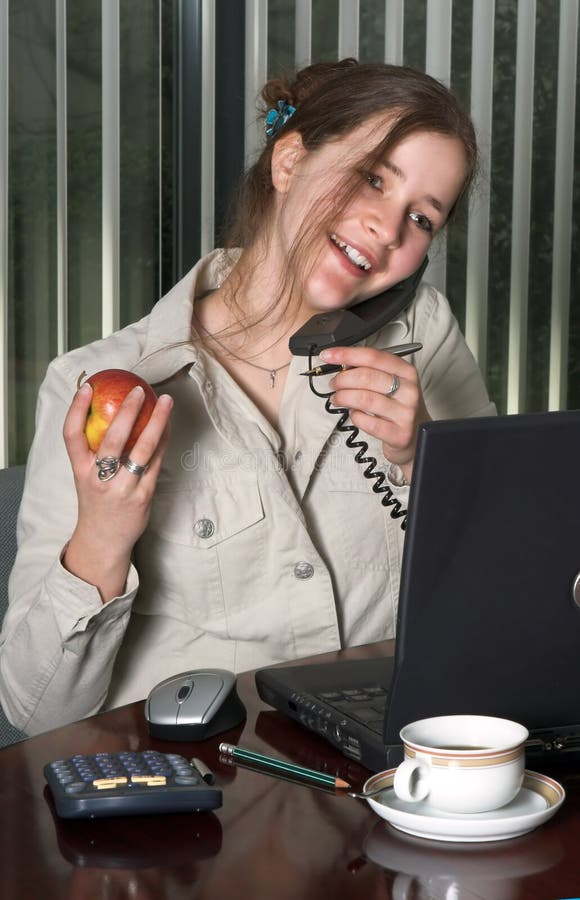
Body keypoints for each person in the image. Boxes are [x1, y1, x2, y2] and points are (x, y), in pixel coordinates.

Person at [0, 59, 495, 734]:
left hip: (385, 782)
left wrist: (424, 460)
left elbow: (508, 601)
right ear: (289, 162)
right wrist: (100, 540)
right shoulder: (93, 385)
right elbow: (34, 711)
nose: (387, 229)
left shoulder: (421, 337)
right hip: (199, 802)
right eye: (371, 178)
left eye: (423, 219)